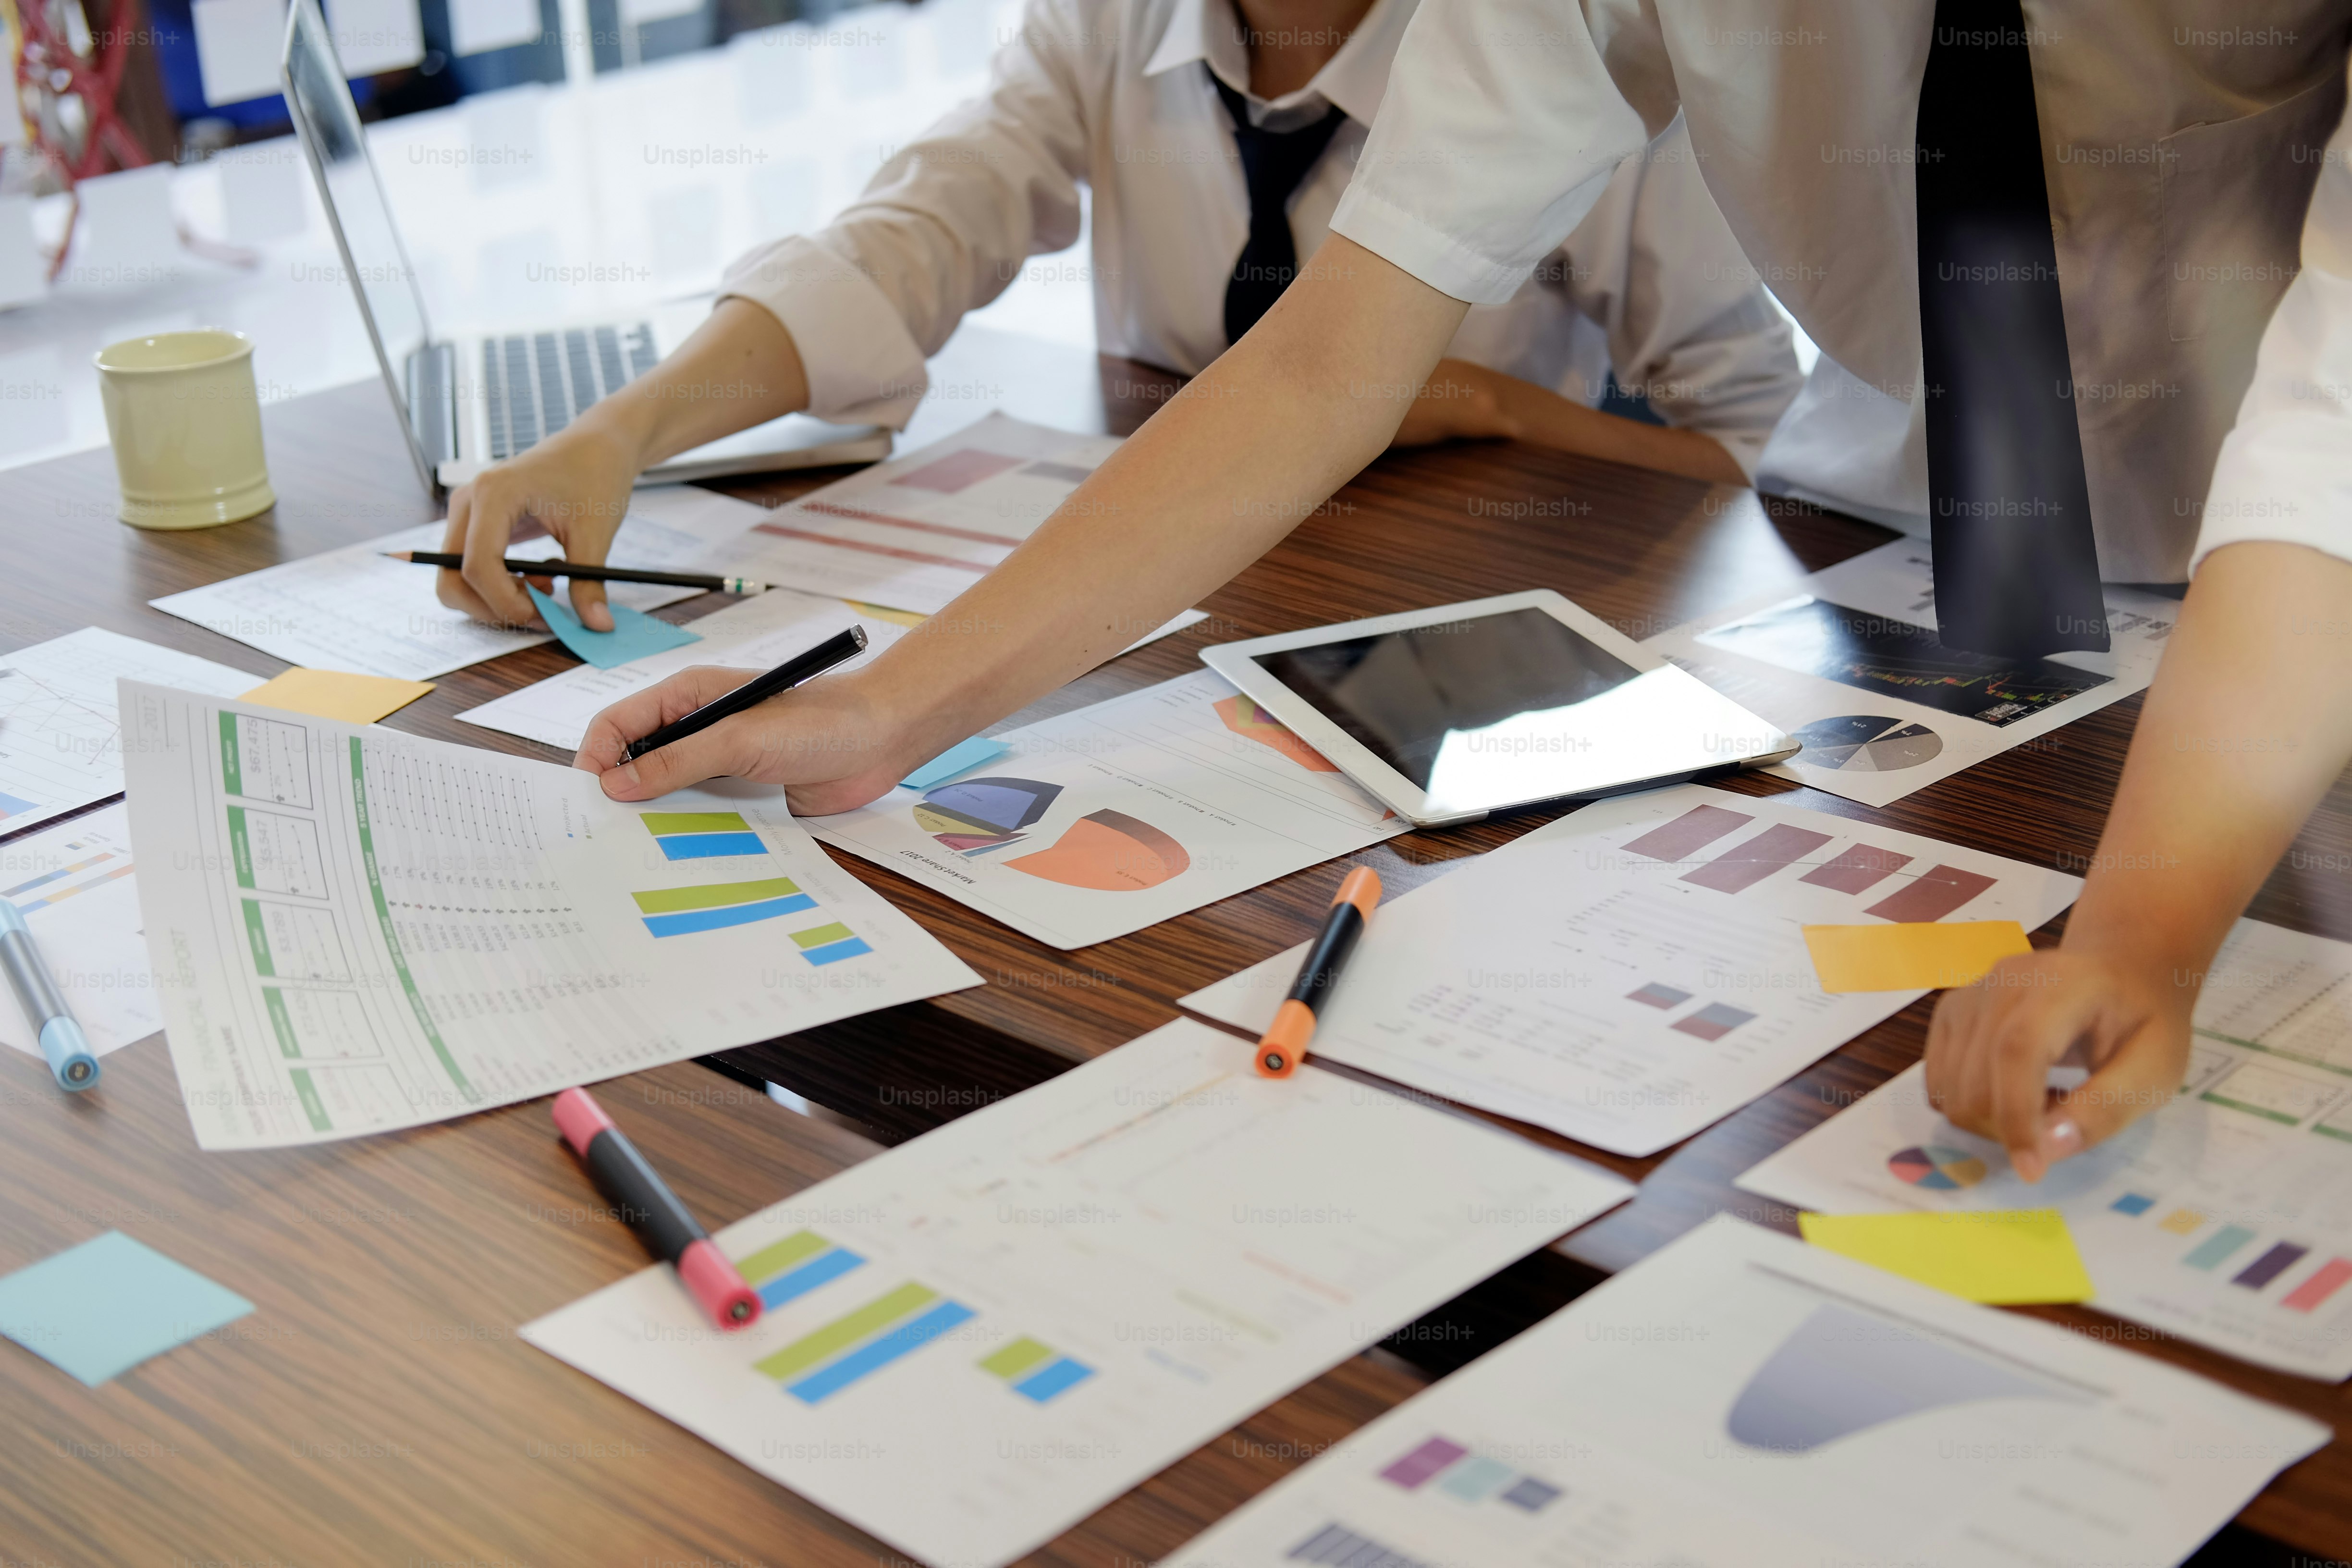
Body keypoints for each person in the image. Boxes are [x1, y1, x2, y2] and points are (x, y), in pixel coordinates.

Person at [590, 3, 2345, 1184]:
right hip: (1883, 534)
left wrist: (2136, 936)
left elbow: (2328, 435)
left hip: (2302, 605)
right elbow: (1336, 350)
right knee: (1770, 1146)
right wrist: (894, 707)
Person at [435, 0, 1803, 634]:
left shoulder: (1578, 53)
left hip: (1433, 624)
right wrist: (621, 433)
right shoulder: (1108, 22)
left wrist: (1500, 407)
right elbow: (908, 241)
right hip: (1153, 601)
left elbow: (1765, 457)